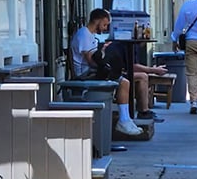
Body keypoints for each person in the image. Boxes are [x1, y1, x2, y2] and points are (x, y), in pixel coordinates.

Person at [70, 8, 142, 136]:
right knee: (123, 82)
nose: (105, 28)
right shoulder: (84, 35)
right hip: (86, 74)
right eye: (104, 24)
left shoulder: (90, 35)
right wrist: (104, 55)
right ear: (97, 20)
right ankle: (124, 120)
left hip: (93, 72)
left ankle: (126, 119)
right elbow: (92, 61)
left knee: (123, 79)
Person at [103, 38, 169, 122]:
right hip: (113, 74)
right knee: (143, 77)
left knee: (142, 76)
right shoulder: (130, 45)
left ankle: (141, 109)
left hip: (115, 72)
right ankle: (143, 111)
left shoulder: (121, 43)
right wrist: (153, 70)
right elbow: (132, 66)